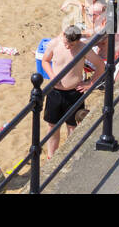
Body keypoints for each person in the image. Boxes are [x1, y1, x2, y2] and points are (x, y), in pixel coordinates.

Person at [40, 25, 106, 160]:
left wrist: (91, 83)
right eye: (66, 43)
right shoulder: (55, 43)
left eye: (72, 44)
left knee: (72, 126)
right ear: (63, 35)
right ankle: (51, 157)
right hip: (55, 91)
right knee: (52, 126)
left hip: (74, 92)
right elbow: (45, 61)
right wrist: (52, 76)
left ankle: (68, 156)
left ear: (77, 40)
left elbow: (100, 65)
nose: (68, 47)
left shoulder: (83, 48)